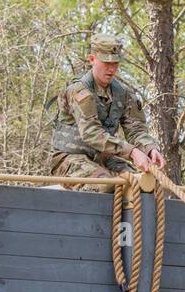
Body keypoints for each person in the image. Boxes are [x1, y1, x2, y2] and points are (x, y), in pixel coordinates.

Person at [48, 33, 165, 190]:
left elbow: (136, 129)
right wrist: (132, 152)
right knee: (105, 185)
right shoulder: (79, 92)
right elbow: (91, 133)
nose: (111, 69)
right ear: (92, 59)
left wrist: (149, 148)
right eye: (106, 63)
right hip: (69, 159)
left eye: (115, 63)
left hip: (104, 159)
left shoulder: (123, 94)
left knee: (145, 185)